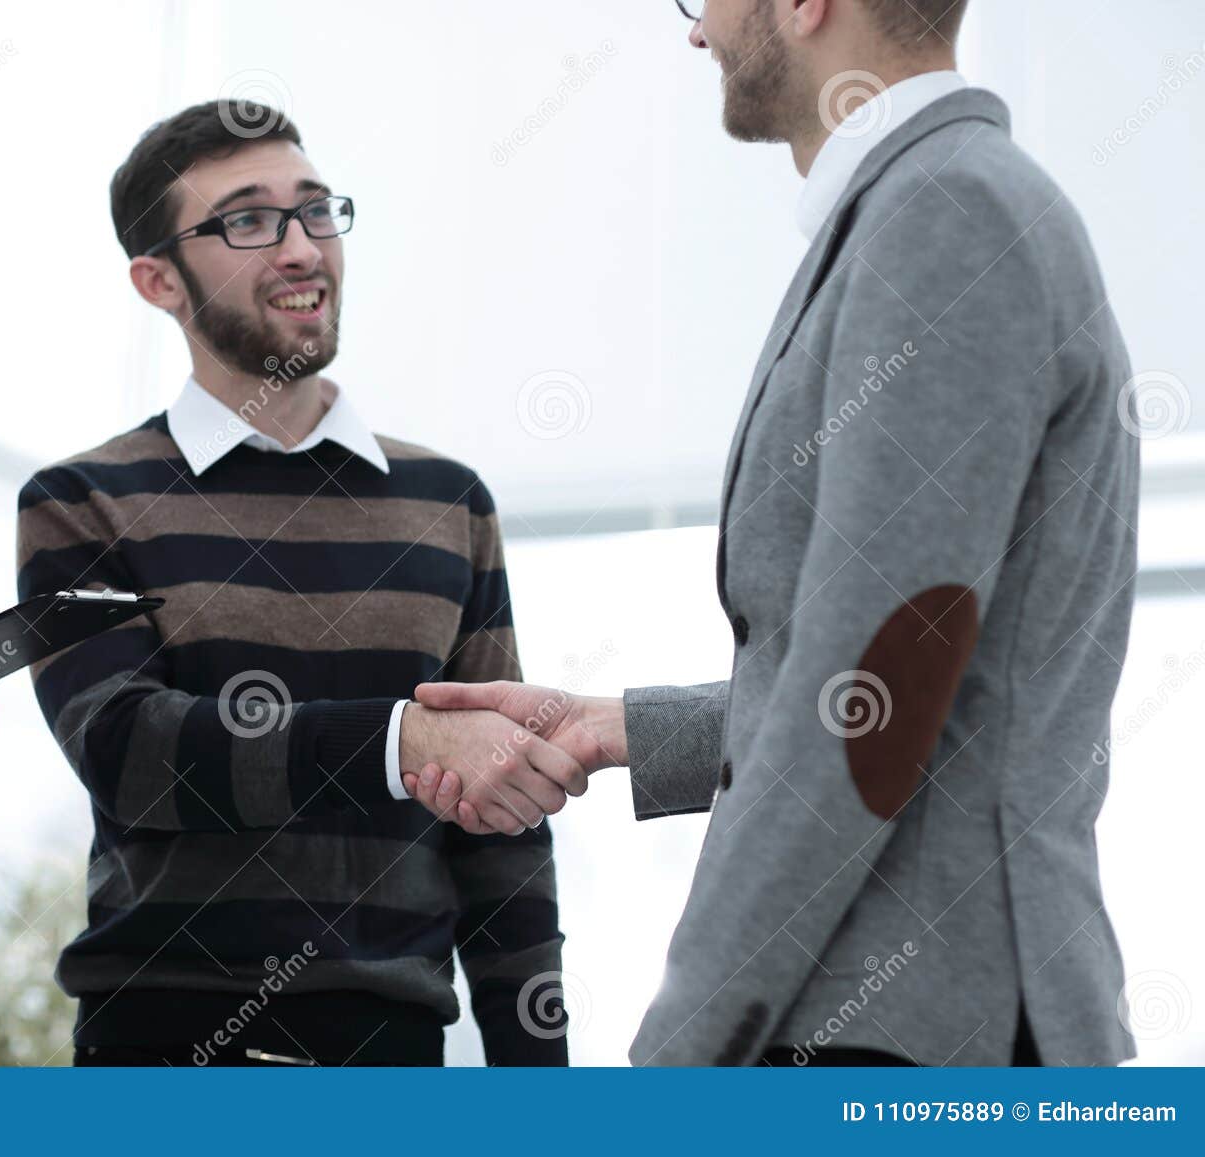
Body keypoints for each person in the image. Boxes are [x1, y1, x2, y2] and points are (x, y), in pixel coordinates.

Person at [407, 0, 1137, 1067]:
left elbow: (871, 711)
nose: (696, 33)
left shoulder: (945, 213)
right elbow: (922, 685)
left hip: (910, 1033)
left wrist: (679, 1057)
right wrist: (620, 726)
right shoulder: (938, 203)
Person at [16, 100, 576, 1067]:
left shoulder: (451, 505)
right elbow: (131, 754)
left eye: (316, 210)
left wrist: (542, 1082)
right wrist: (400, 739)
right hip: (159, 1049)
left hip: (393, 1051)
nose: (301, 247)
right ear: (159, 280)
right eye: (247, 220)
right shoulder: (81, 500)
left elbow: (502, 826)